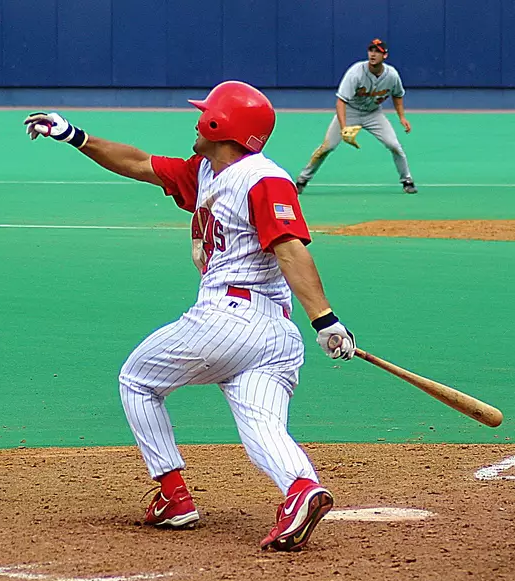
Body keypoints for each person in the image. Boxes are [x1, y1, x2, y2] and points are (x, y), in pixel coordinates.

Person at [24, 80, 356, 552]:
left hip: (228, 320)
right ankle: (301, 490)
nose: (197, 121)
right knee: (263, 425)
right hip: (275, 335)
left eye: (205, 115)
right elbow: (139, 164)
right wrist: (76, 136)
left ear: (221, 125)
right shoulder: (206, 172)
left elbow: (289, 248)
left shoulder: (265, 178)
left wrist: (325, 318)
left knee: (137, 380)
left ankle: (173, 496)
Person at [296, 38, 416, 195]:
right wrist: (344, 127)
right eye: (371, 50)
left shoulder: (392, 75)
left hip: (374, 114)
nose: (373, 54)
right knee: (327, 147)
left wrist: (402, 117)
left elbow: (398, 95)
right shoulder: (355, 73)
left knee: (394, 145)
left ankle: (407, 180)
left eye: (377, 51)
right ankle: (302, 180)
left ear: (385, 55)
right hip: (350, 111)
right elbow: (341, 102)